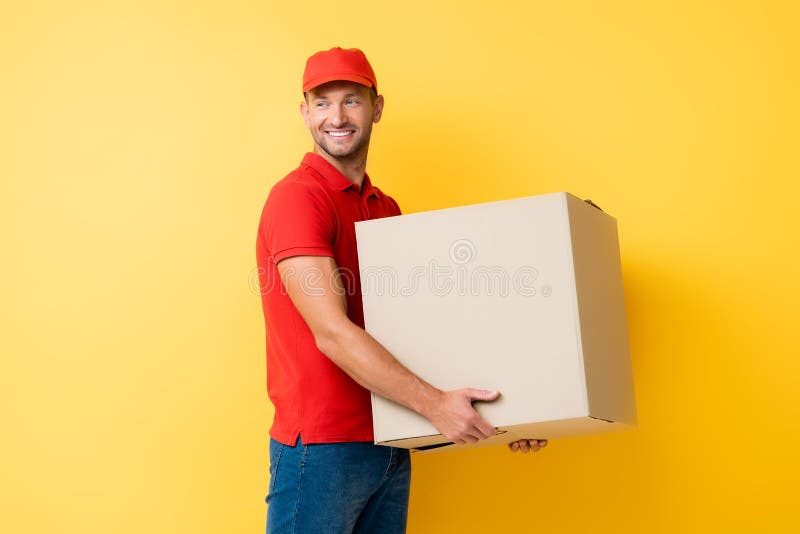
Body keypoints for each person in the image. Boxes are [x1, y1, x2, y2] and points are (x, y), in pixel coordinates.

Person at [256, 46, 547, 534]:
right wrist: (436, 406)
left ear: (377, 108)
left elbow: (427, 333)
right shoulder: (297, 198)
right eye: (323, 103)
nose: (337, 117)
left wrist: (521, 413)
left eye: (352, 100)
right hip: (324, 450)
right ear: (305, 112)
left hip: (394, 439)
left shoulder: (384, 208)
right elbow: (331, 331)